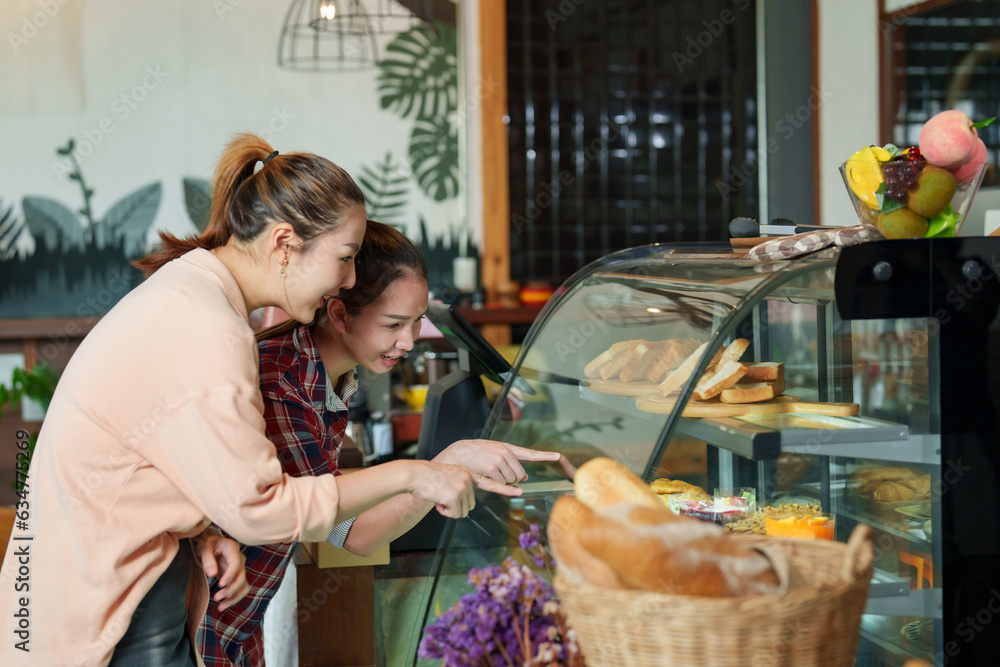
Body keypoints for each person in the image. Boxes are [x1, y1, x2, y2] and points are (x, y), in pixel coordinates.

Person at [0, 135, 517, 667]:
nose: (349, 280)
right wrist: (416, 473)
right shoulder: (209, 329)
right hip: (106, 612)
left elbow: (172, 470)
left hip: (119, 589)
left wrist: (199, 533)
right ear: (285, 243)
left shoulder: (197, 298)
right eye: (344, 258)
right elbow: (258, 509)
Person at [198, 221, 566, 666]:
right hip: (205, 626)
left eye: (417, 323)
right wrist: (436, 468)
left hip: (240, 623)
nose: (408, 342)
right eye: (394, 324)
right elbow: (353, 533)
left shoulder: (327, 379)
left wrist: (448, 463)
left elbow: (338, 518)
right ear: (338, 314)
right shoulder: (283, 384)